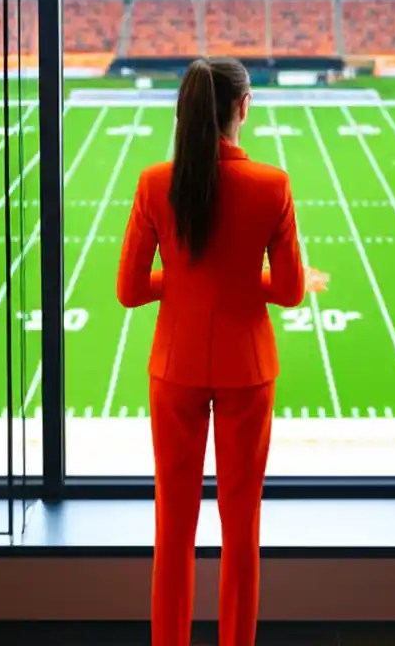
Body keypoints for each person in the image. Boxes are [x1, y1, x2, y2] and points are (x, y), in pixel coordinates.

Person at [117, 56, 306, 646]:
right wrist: (241, 283)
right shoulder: (272, 184)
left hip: (175, 367)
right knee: (240, 527)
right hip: (247, 368)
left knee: (172, 528)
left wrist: (185, 281)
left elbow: (128, 291)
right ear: (242, 108)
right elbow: (293, 292)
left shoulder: (154, 183)